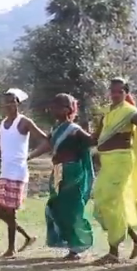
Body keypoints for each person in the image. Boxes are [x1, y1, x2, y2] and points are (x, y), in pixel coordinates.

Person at [91, 78, 137, 264]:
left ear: (126, 93)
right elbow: (94, 138)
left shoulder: (130, 113)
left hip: (122, 161)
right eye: (112, 91)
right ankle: (136, 241)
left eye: (119, 91)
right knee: (104, 199)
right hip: (107, 162)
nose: (114, 94)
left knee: (112, 201)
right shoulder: (107, 113)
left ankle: (113, 252)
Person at [0, 88, 47, 258]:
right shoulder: (1, 125)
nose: (8, 105)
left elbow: (46, 140)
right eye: (5, 101)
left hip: (18, 172)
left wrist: (30, 156)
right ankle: (27, 237)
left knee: (10, 210)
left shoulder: (24, 122)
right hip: (5, 171)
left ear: (17, 103)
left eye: (11, 101)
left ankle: (11, 249)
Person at [26, 93, 95, 260]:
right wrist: (28, 156)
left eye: (60, 106)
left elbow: (92, 141)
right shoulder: (56, 129)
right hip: (57, 172)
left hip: (72, 173)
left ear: (69, 109)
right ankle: (67, 242)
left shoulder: (75, 130)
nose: (55, 109)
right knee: (55, 206)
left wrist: (98, 129)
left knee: (70, 209)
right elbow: (47, 145)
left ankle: (76, 247)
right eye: (54, 106)